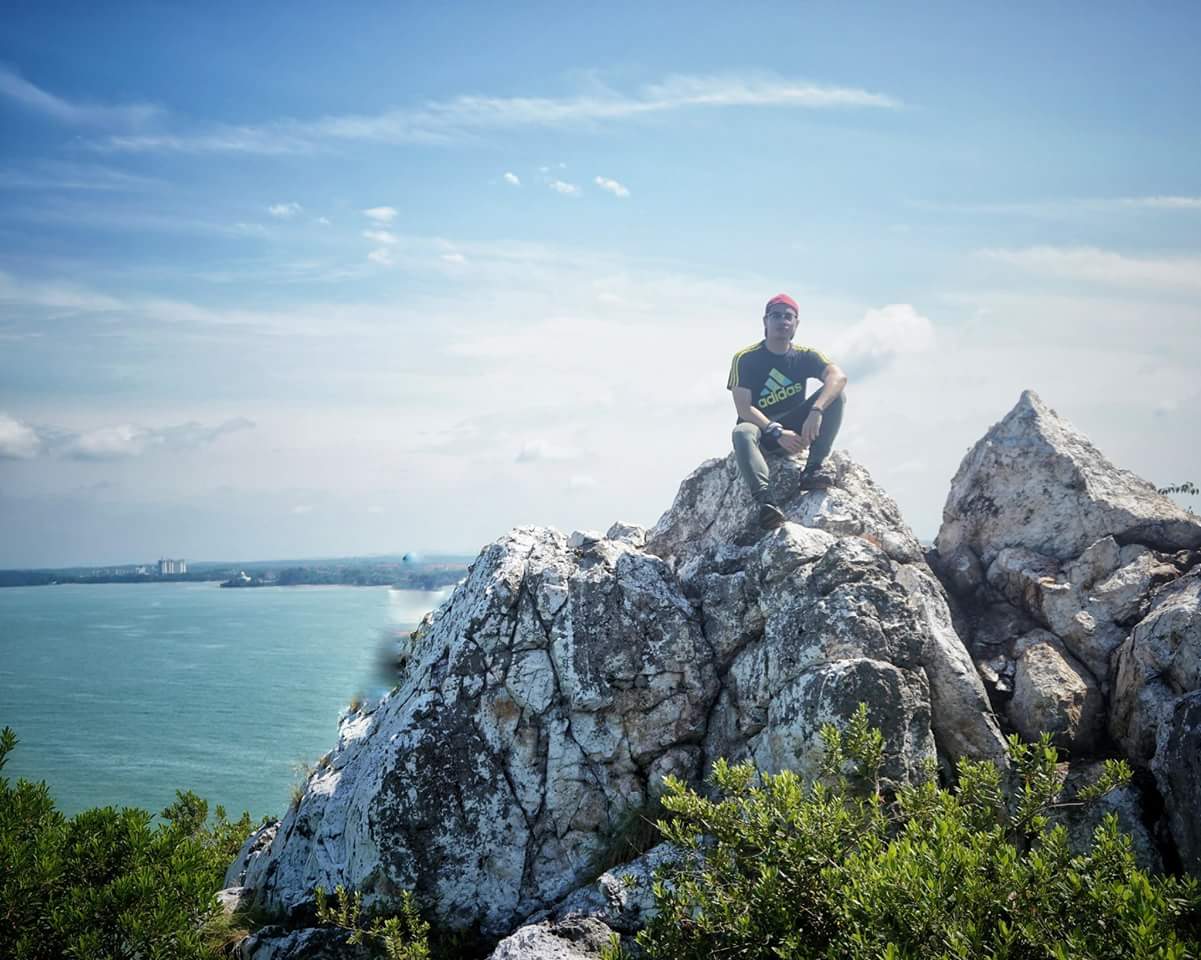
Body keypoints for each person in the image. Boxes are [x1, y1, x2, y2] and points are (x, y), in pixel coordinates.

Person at [727, 293, 848, 529]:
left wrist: (816, 410)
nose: (782, 321)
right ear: (765, 321)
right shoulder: (745, 358)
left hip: (795, 424)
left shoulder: (805, 355)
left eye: (788, 316)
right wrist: (776, 431)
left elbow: (838, 377)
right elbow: (743, 406)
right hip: (761, 430)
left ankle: (813, 469)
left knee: (836, 396)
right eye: (776, 316)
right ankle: (766, 501)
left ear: (796, 323)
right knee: (741, 432)